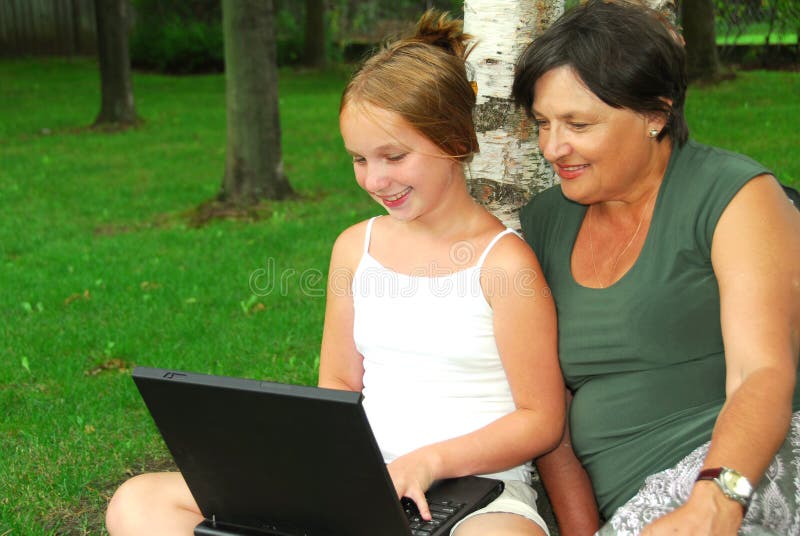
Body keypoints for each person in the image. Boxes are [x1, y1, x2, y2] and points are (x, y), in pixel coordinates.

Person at [105, 11, 564, 536]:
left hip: (478, 493)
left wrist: (430, 461)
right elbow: (340, 383)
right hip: (360, 483)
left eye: (393, 156)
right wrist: (332, 477)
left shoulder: (505, 264)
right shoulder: (355, 248)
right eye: (359, 159)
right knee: (138, 505)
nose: (375, 178)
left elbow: (541, 419)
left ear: (456, 141)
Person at [510, 1, 800, 534]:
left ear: (655, 115)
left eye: (578, 123)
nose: (554, 147)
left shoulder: (733, 197)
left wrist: (717, 497)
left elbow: (762, 372)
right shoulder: (546, 223)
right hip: (635, 508)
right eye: (543, 123)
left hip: (743, 472)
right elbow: (552, 414)